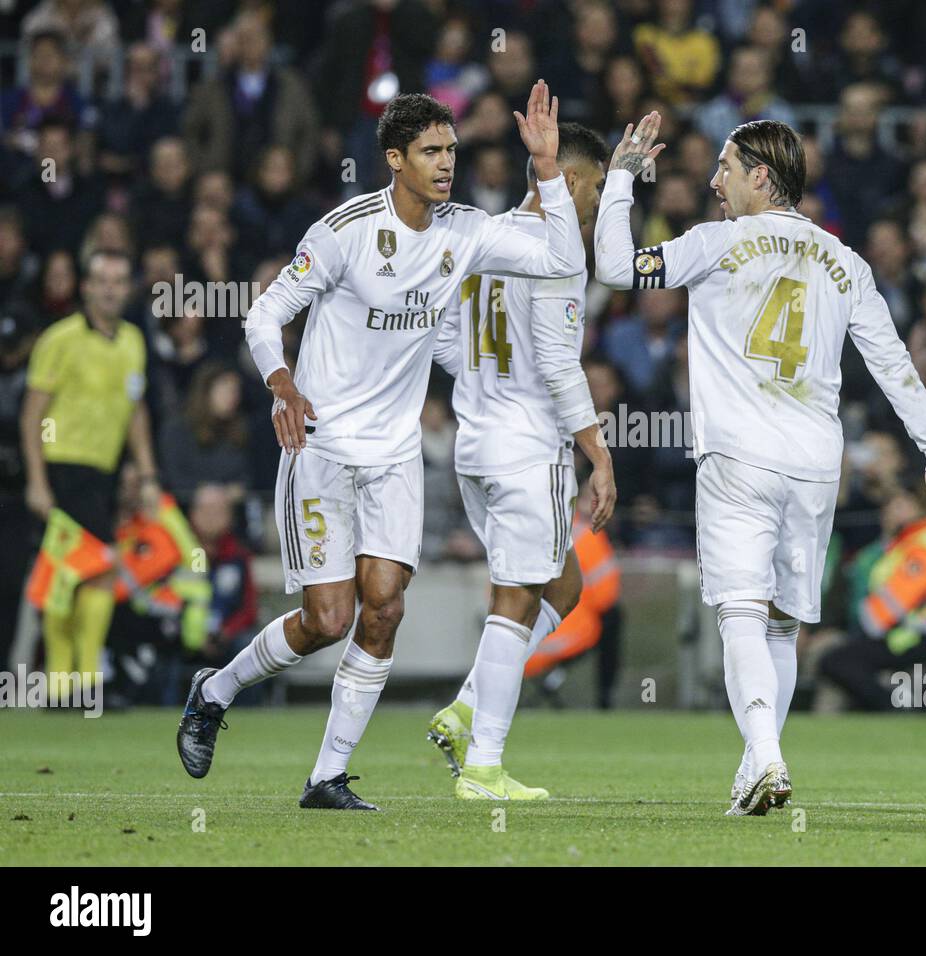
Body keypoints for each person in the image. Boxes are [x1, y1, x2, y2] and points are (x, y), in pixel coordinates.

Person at [176, 84, 586, 811]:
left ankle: (326, 777)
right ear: (394, 158)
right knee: (327, 621)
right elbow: (266, 312)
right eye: (430, 152)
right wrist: (281, 385)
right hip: (323, 446)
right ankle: (216, 689)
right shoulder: (345, 231)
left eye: (452, 150)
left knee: (385, 608)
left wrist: (548, 169)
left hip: (395, 456)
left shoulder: (466, 230)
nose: (445, 164)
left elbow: (560, 256)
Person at [594, 115, 926, 814]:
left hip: (739, 455)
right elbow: (892, 360)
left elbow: (614, 268)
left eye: (725, 167)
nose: (713, 180)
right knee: (784, 622)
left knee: (738, 610)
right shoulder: (843, 259)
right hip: (817, 465)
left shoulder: (715, 243)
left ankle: (765, 753)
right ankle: (754, 769)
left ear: (762, 177)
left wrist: (619, 180)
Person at [425, 123, 615, 800]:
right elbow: (562, 363)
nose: (593, 201)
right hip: (527, 446)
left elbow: (442, 331)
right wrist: (597, 449)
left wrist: (480, 377)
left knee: (561, 589)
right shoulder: (560, 251)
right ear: (570, 179)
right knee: (517, 594)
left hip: (476, 446)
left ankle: (468, 706)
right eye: (594, 184)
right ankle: (483, 766)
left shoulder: (483, 234)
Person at [20, 249, 159, 703]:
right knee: (86, 571)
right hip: (64, 466)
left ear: (128, 287)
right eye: (102, 280)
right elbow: (33, 414)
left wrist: (146, 470)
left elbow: (136, 409)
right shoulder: (60, 339)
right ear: (86, 287)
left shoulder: (133, 341)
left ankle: (68, 684)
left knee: (74, 573)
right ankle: (80, 681)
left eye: (119, 280)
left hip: (103, 471)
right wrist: (37, 480)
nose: (110, 288)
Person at [816, 486, 926, 712]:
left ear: (919, 510)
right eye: (890, 508)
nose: (895, 513)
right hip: (905, 635)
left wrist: (868, 614)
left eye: (903, 506)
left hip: (919, 637)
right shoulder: (907, 546)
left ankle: (895, 705)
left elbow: (881, 614)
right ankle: (892, 702)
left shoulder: (922, 548)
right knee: (838, 660)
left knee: (835, 661)